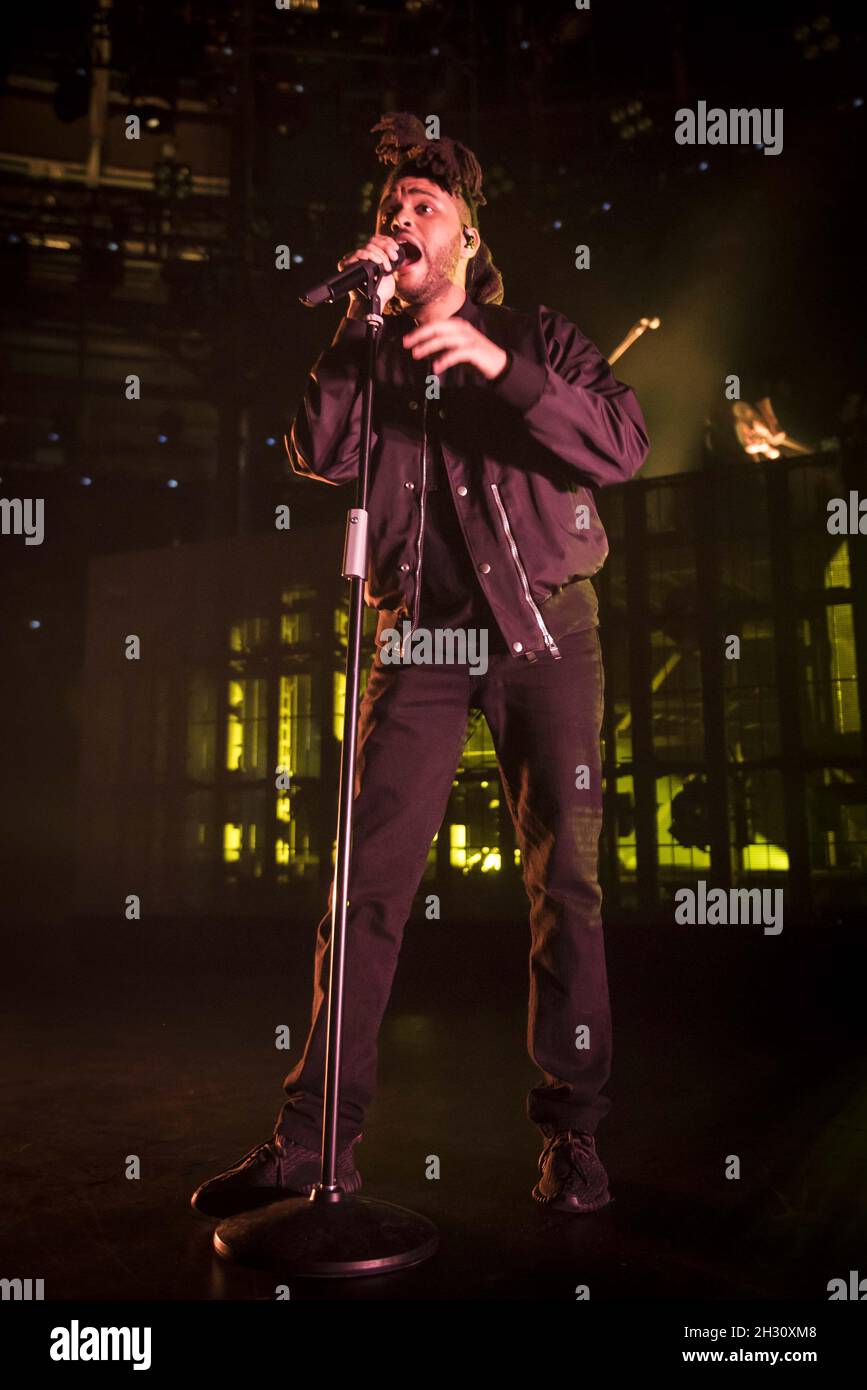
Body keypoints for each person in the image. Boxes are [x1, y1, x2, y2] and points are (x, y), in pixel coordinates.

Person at [191, 111, 650, 1219]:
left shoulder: (538, 334)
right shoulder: (371, 343)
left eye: (423, 207)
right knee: (364, 890)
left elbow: (621, 444)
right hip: (422, 640)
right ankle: (315, 1148)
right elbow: (319, 452)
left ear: (467, 237)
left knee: (567, 885)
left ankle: (575, 1137)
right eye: (390, 208)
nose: (401, 217)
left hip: (545, 631)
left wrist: (500, 367)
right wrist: (359, 321)